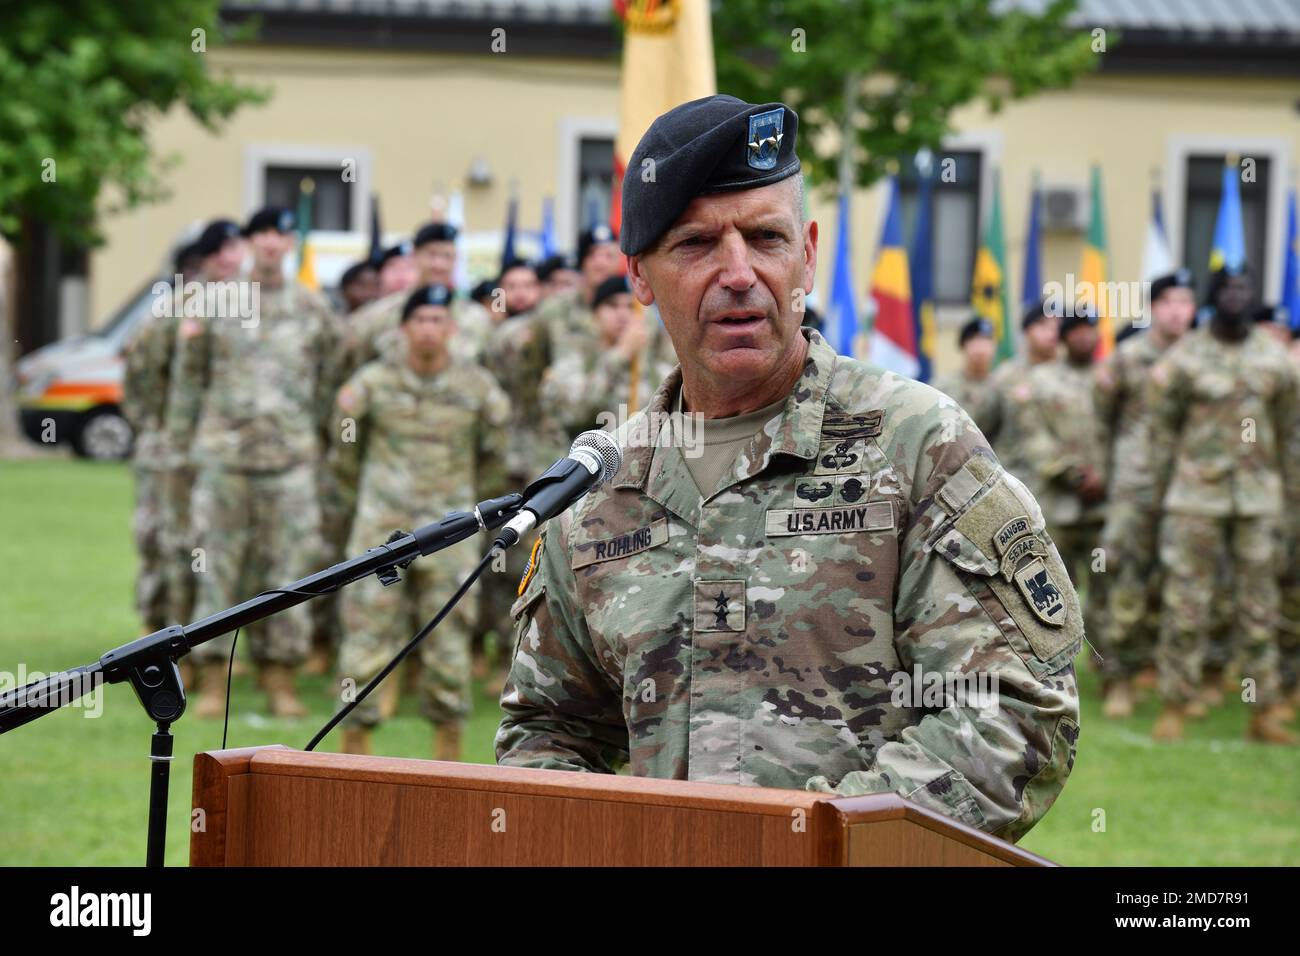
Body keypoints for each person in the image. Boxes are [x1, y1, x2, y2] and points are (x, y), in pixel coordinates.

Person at [495, 95, 1082, 841]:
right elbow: (547, 731)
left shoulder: (916, 445)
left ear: (806, 251)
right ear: (638, 275)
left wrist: (816, 844)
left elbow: (1016, 707)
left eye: (764, 238)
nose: (738, 273)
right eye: (697, 244)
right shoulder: (600, 492)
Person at [167, 206, 341, 719]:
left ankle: (280, 679)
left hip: (290, 461)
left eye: (280, 235)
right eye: (262, 234)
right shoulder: (214, 302)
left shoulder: (313, 308)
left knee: (289, 570)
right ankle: (214, 680)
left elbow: (330, 380)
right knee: (218, 569)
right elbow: (189, 381)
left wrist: (326, 444)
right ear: (249, 243)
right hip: (224, 458)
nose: (271, 243)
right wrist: (181, 449)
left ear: (290, 245)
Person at [330, 284, 510, 757]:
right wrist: (367, 499)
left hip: (450, 530)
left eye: (437, 320)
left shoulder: (477, 387)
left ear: (451, 329)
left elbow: (495, 455)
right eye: (420, 320)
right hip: (380, 528)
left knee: (449, 640)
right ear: (404, 328)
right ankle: (352, 756)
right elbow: (343, 454)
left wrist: (471, 505)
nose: (429, 329)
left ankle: (447, 762)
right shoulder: (371, 382)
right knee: (366, 636)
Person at [1148, 265, 1297, 744]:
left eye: (1243, 288)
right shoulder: (1185, 357)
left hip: (1259, 500)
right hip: (1196, 497)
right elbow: (1163, 427)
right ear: (1214, 298)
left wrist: (1290, 494)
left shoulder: (1275, 359)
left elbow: (1288, 428)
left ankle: (1264, 710)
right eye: (1227, 288)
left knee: (1260, 604)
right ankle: (1175, 701)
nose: (1236, 295)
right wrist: (1162, 490)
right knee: (1186, 601)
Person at [1093, 269, 1195, 718]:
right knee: (1127, 580)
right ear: (1154, 308)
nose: (1178, 310)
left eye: (1186, 302)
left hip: (1192, 487)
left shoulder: (1203, 358)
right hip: (1135, 486)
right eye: (1170, 301)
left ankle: (1181, 684)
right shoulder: (1127, 358)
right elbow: (1100, 420)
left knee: (1185, 585)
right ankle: (1120, 680)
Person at [121, 240, 203, 644]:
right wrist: (153, 429)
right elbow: (138, 381)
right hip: (163, 446)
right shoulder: (162, 320)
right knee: (157, 535)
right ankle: (153, 622)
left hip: (208, 447)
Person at [540, 274, 676, 443]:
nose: (622, 314)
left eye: (630, 306)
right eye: (612, 306)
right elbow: (577, 413)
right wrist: (619, 355)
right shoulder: (578, 358)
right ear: (595, 314)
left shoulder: (654, 367)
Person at [984, 302, 1060, 501]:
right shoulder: (1005, 377)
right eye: (1043, 325)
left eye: (1056, 325)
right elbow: (984, 426)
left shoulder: (1070, 373)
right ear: (1027, 331)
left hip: (1061, 482)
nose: (1051, 332)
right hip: (1016, 479)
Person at [931, 316, 999, 437]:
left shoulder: (1003, 385)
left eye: (986, 340)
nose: (981, 348)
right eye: (974, 341)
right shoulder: (942, 387)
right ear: (963, 346)